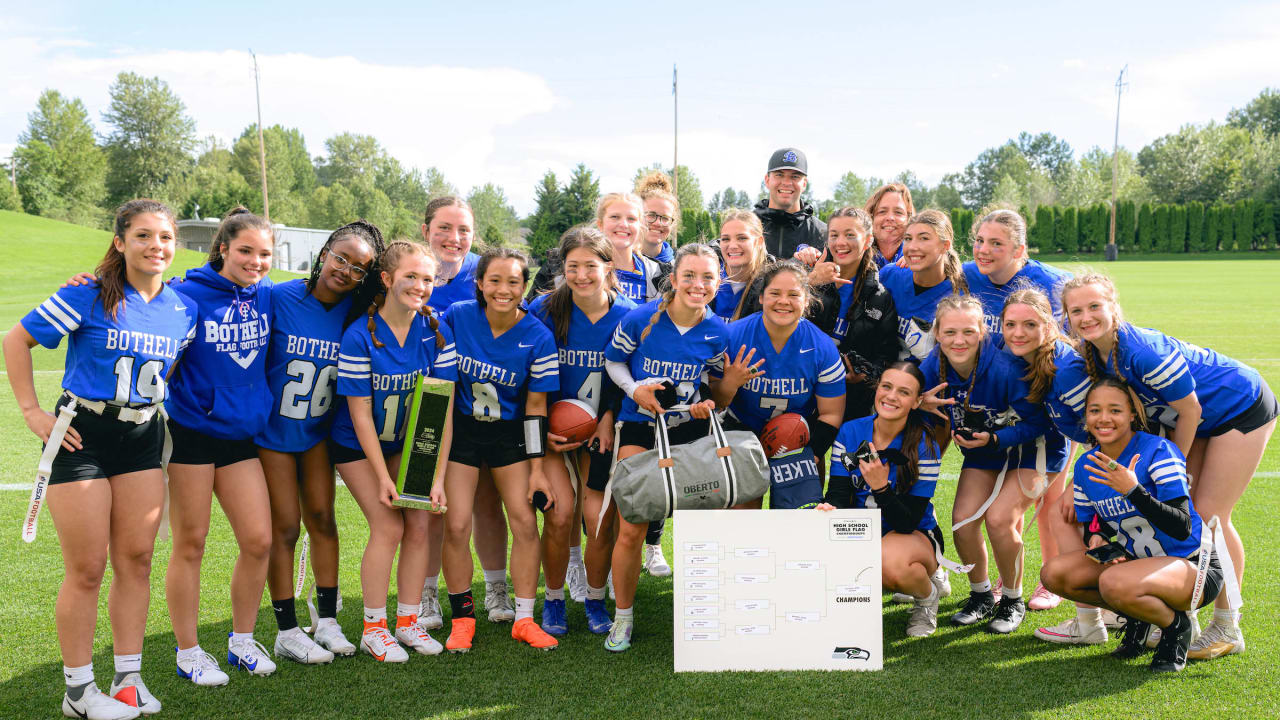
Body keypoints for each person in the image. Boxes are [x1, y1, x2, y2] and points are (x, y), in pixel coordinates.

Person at [4, 200, 197, 719]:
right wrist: (32, 412)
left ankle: (128, 678)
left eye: (165, 238)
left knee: (136, 561)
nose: (156, 246)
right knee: (87, 568)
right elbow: (16, 340)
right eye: (143, 236)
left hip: (141, 437)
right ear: (120, 242)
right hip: (81, 436)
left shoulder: (183, 308)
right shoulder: (88, 294)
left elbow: (169, 366)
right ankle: (78, 692)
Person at [1063, 272, 1276, 659]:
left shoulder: (1141, 350)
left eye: (1095, 306)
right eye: (1076, 310)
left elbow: (1191, 409)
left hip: (1237, 406)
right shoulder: (1095, 350)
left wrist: (1174, 462)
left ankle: (1228, 625)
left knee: (1211, 514)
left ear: (1114, 305)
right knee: (1181, 509)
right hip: (1196, 418)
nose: (1086, 316)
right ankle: (1180, 614)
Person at [258, 221, 382, 665]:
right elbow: (225, 295)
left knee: (323, 520)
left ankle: (326, 619)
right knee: (285, 528)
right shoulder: (278, 296)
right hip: (272, 433)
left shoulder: (358, 313)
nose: (345, 270)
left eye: (358, 267)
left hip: (316, 435)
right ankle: (287, 629)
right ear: (324, 252)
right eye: (341, 258)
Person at [162, 207, 278, 686]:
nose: (255, 261)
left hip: (240, 437)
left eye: (265, 253)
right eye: (246, 250)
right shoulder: (185, 296)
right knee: (191, 543)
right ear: (224, 248)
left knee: (259, 540)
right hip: (191, 433)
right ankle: (188, 651)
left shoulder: (267, 297)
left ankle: (242, 641)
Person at [1040, 378, 1224, 672]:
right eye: (1095, 410)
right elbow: (1094, 526)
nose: (1104, 418)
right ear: (1085, 417)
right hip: (1140, 561)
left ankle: (1176, 628)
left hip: (1193, 566)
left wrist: (1133, 490)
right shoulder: (1087, 464)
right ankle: (1137, 617)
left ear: (1132, 415)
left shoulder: (1159, 451)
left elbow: (1182, 527)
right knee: (1056, 574)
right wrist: (1098, 538)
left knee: (1113, 582)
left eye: (1115, 410)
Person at [329, 239, 454, 663]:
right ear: (386, 279)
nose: (420, 285)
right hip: (358, 447)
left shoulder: (435, 331)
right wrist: (383, 478)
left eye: (427, 278)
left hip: (408, 439)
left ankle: (408, 621)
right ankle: (374, 628)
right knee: (389, 528)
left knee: (419, 525)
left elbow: (442, 409)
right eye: (410, 277)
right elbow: (360, 415)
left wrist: (436, 476)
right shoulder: (359, 335)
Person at [603, 243, 730, 651]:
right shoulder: (641, 318)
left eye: (708, 277)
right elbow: (613, 362)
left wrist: (704, 403)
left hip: (687, 431)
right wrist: (635, 389)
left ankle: (701, 612)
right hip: (640, 424)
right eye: (689, 275)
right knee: (631, 526)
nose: (698, 284)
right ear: (673, 278)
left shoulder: (718, 331)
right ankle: (622, 616)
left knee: (702, 520)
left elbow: (709, 381)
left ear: (719, 283)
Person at [440, 248, 561, 653]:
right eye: (494, 280)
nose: (503, 289)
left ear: (524, 286)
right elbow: (441, 386)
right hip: (464, 432)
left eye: (513, 281)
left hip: (510, 433)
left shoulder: (538, 336)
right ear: (480, 283)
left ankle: (524, 619)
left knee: (525, 523)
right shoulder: (458, 316)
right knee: (456, 524)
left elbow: (535, 407)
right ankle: (462, 619)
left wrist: (538, 468)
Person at [920, 294, 1059, 634]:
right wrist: (919, 400)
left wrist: (996, 439)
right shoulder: (933, 365)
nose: (958, 340)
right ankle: (981, 595)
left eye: (968, 331)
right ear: (937, 333)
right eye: (950, 332)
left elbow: (1042, 422)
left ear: (982, 331)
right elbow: (901, 394)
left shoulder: (1006, 368)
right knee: (962, 523)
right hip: (986, 449)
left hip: (1036, 448)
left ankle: (1012, 599)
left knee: (999, 519)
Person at [528, 227, 636, 635]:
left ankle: (594, 597)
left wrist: (608, 415)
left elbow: (635, 375)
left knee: (600, 518)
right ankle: (553, 599)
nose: (581, 275)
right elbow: (525, 377)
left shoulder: (631, 315)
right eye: (572, 266)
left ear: (609, 267)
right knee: (558, 514)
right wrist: (543, 430)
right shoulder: (544, 310)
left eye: (590, 266)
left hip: (602, 431)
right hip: (554, 430)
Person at [996, 288, 1110, 641]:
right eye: (1010, 324)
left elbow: (1101, 427)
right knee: (1063, 517)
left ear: (1048, 325)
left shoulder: (1065, 370)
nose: (1017, 333)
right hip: (1085, 448)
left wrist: (1093, 479)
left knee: (1075, 521)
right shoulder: (1023, 358)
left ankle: (1098, 616)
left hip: (1111, 455)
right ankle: (1093, 617)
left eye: (1029, 324)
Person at [420, 196, 512, 628]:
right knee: (427, 502)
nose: (453, 239)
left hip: (474, 405)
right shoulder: (409, 267)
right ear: (426, 230)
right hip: (421, 401)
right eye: (444, 228)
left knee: (486, 502)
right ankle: (424, 592)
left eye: (463, 230)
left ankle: (496, 587)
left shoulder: (482, 274)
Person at [820, 362, 948, 637]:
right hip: (863, 532)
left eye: (903, 392)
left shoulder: (925, 445)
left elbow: (908, 521)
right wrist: (829, 509)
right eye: (887, 387)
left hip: (912, 534)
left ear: (916, 402)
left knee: (887, 563)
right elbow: (839, 494)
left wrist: (880, 488)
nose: (891, 396)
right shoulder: (851, 432)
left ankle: (927, 595)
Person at [710, 260, 845, 503]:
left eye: (793, 294)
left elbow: (831, 414)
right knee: (743, 516)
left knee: (798, 518)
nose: (784, 301)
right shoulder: (733, 336)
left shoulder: (822, 347)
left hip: (798, 439)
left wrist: (810, 455)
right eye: (775, 293)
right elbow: (715, 401)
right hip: (743, 429)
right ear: (761, 297)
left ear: (806, 300)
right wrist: (730, 383)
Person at [807, 207, 900, 420]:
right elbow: (776, 317)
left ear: (867, 240)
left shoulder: (880, 296)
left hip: (854, 401)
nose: (841, 242)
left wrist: (863, 375)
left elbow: (886, 356)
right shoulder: (807, 276)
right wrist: (809, 282)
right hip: (803, 391)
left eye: (850, 235)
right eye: (834, 235)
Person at [962, 209, 1071, 334]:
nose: (983, 250)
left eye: (996, 243)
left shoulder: (1053, 283)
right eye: (980, 240)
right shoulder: (965, 275)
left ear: (1018, 250)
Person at [878, 210, 967, 363]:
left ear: (945, 245)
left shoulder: (957, 297)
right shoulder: (890, 275)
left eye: (924, 238)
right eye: (908, 238)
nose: (912, 247)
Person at [753, 147, 826, 260]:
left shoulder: (822, 233)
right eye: (779, 175)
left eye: (795, 176)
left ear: (804, 184)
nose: (787, 182)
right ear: (767, 180)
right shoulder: (747, 226)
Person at [711, 209, 770, 322]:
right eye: (725, 239)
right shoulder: (706, 278)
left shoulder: (770, 283)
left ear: (759, 242)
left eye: (742, 238)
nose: (732, 245)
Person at [864, 183, 915, 268]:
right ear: (871, 217)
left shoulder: (919, 255)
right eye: (882, 211)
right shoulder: (856, 255)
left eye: (898, 212)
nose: (890, 218)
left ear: (908, 218)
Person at [635, 170, 678, 262]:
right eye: (651, 215)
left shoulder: (678, 270)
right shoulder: (614, 264)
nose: (658, 223)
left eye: (665, 218)